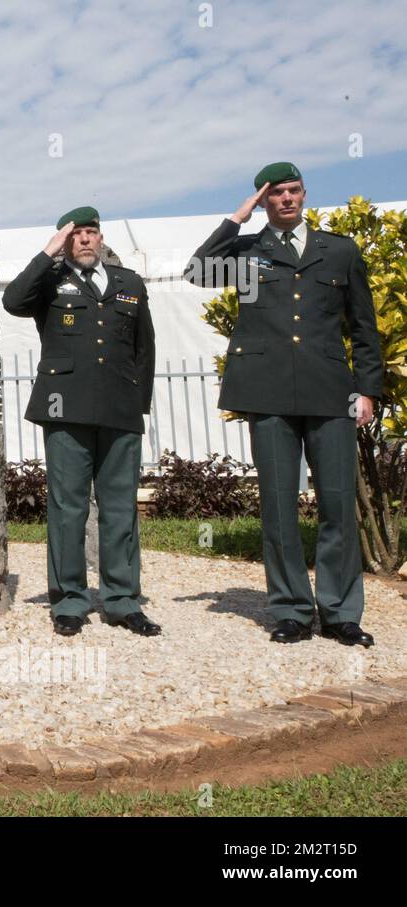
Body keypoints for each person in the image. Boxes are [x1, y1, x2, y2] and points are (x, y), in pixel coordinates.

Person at [184, 163, 382, 647]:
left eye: (293, 191)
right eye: (275, 194)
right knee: (278, 505)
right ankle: (291, 609)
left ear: (304, 195)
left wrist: (369, 389)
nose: (286, 199)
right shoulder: (249, 252)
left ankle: (339, 612)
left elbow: (363, 326)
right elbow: (195, 271)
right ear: (264, 202)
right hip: (267, 392)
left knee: (336, 502)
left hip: (329, 391)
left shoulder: (339, 250)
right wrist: (239, 217)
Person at [3, 207, 159, 636]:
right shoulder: (49, 281)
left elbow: (144, 348)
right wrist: (46, 253)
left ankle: (122, 600)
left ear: (101, 237)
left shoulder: (129, 283)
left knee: (119, 509)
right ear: (65, 241)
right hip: (64, 408)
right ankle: (69, 600)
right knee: (68, 507)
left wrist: (138, 403)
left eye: (91, 233)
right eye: (77, 235)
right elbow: (12, 301)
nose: (86, 240)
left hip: (119, 410)